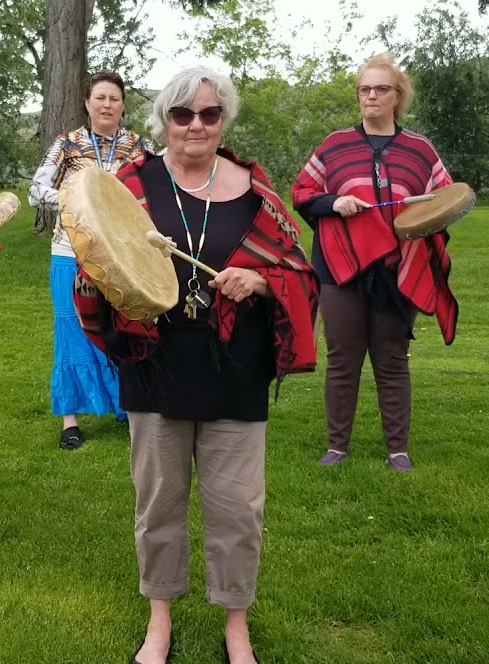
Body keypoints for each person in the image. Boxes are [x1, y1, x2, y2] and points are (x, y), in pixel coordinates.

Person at [73, 66, 319, 664]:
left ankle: (236, 623)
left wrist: (261, 280)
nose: (195, 125)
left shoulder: (257, 192)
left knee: (238, 506)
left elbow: (300, 274)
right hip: (155, 366)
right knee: (157, 501)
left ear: (223, 120)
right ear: (163, 120)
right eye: (182, 114)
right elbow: (94, 262)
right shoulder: (128, 185)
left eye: (209, 114)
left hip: (235, 369)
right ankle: (159, 620)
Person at [291, 53, 459, 470]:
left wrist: (422, 215)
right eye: (364, 89)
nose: (371, 96)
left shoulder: (419, 150)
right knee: (343, 359)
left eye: (380, 89)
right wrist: (334, 201)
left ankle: (397, 448)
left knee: (391, 359)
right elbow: (302, 192)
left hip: (396, 269)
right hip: (339, 268)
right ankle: (337, 446)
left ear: (398, 96)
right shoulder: (334, 145)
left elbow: (445, 199)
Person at [29, 71, 155, 450]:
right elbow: (36, 190)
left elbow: (156, 191)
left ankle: (128, 407)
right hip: (70, 250)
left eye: (114, 99)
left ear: (122, 106)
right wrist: (73, 200)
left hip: (121, 254)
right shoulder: (67, 144)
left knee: (122, 327)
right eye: (99, 98)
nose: (106, 105)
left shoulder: (139, 146)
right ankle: (71, 420)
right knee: (71, 328)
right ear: (87, 103)